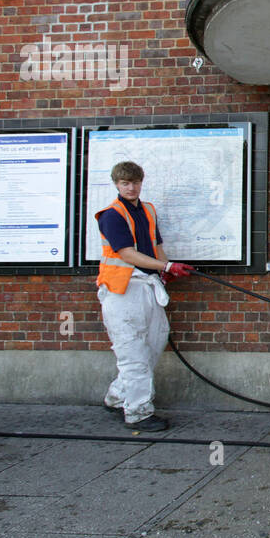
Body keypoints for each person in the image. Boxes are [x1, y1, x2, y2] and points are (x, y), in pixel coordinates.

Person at [95, 161, 193, 432]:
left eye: (135, 182)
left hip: (147, 286)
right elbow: (126, 253)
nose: (131, 187)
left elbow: (156, 245)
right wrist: (165, 267)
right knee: (133, 353)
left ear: (141, 182)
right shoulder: (111, 215)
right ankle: (138, 412)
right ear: (116, 184)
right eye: (125, 183)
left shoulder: (148, 209)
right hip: (121, 292)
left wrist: (166, 268)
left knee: (154, 342)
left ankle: (117, 396)